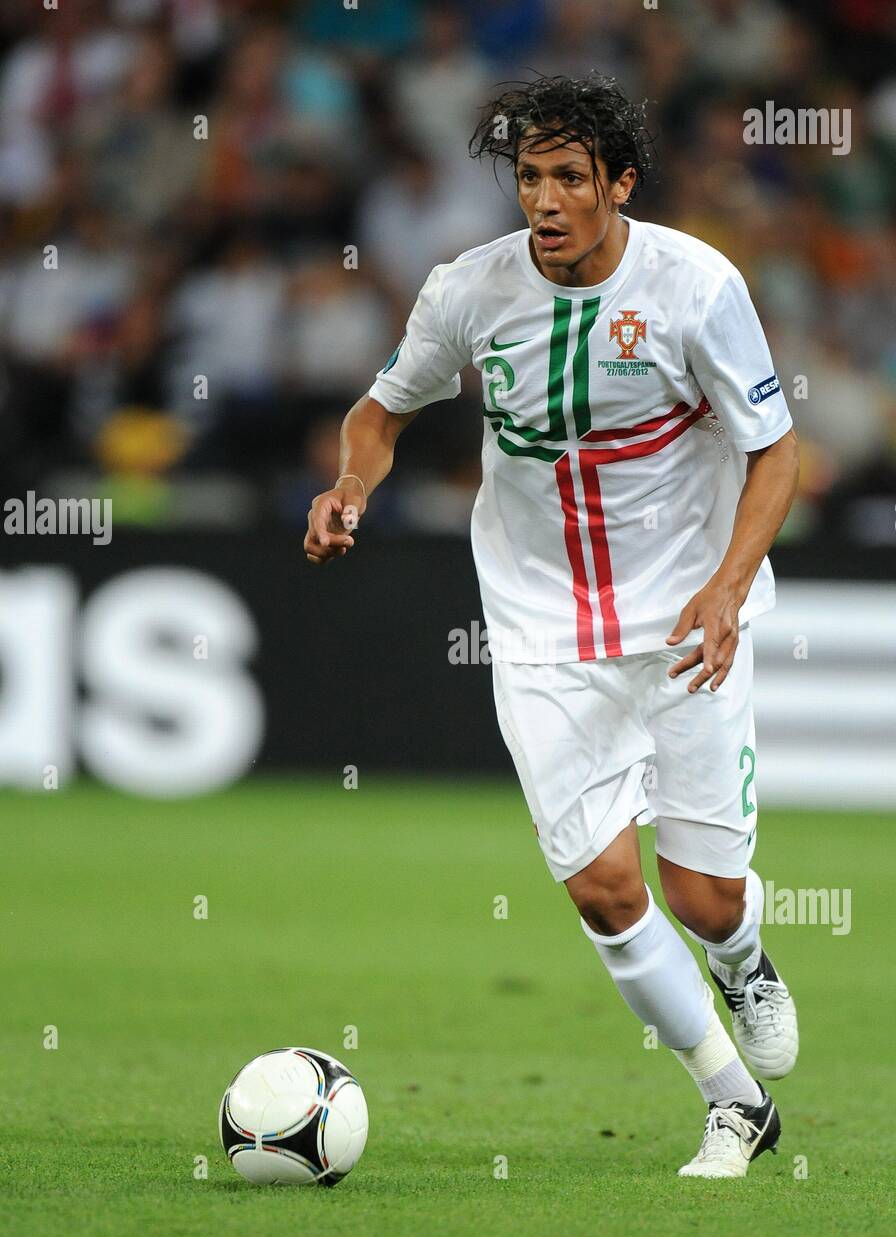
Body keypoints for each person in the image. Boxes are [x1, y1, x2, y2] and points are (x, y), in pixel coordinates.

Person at [305, 73, 800, 1178]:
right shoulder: (468, 291)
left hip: (686, 622)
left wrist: (728, 585)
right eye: (530, 177)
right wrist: (351, 485)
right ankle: (734, 1102)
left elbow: (774, 451)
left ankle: (743, 960)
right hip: (538, 628)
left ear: (620, 183)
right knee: (603, 891)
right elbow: (381, 410)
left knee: (703, 898)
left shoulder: (696, 287)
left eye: (570, 177)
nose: (545, 199)